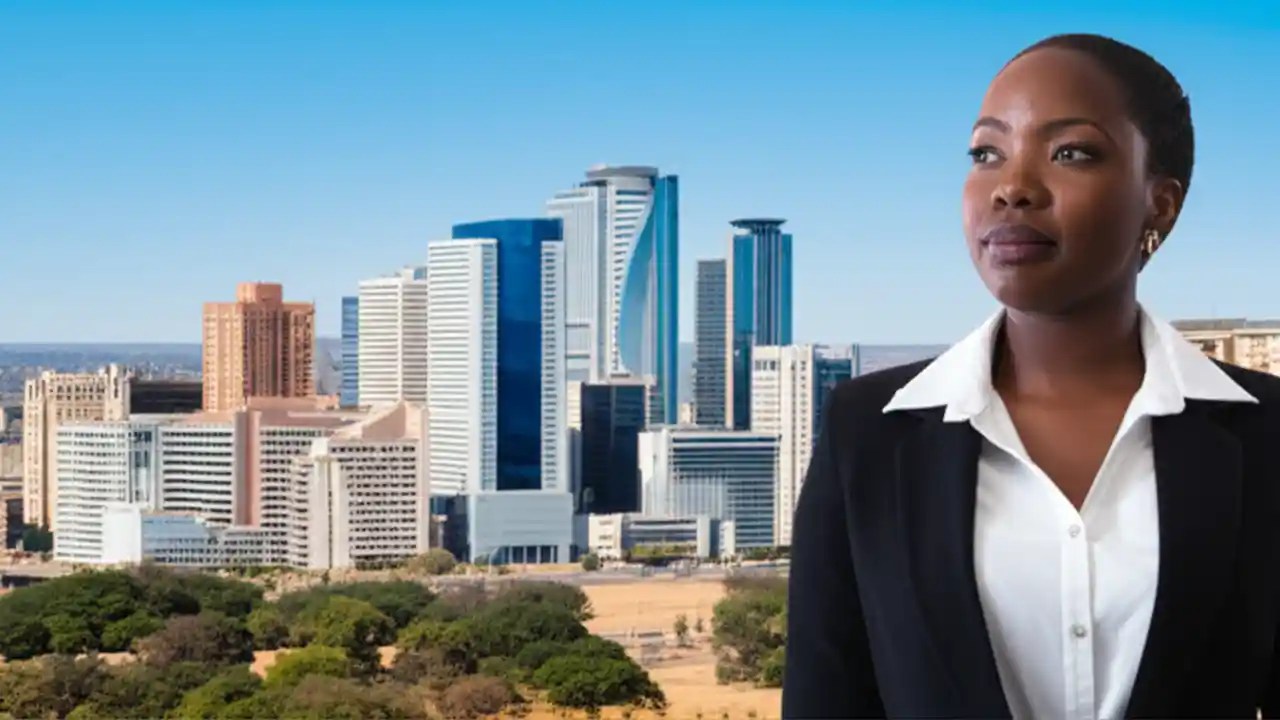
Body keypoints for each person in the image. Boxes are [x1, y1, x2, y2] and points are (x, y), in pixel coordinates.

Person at [783, 33, 1280, 719]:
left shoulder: (1266, 431)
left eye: (1070, 152)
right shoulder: (865, 431)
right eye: (986, 153)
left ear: (1159, 203)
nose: (1011, 187)